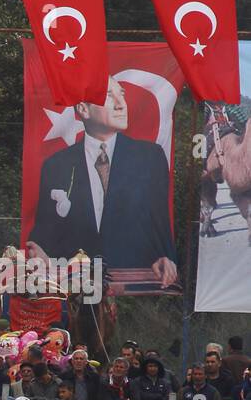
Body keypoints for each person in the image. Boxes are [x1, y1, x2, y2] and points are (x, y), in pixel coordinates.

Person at [27, 76, 179, 289]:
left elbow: (161, 224)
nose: (120, 104)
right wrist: (39, 251)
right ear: (83, 109)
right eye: (109, 96)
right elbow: (44, 233)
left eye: (122, 94)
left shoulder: (150, 158)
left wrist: (166, 257)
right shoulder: (56, 165)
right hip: (75, 291)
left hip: (135, 288)